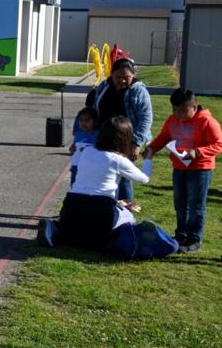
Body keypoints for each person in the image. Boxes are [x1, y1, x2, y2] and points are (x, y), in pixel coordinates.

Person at [40, 116, 148, 250]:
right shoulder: (118, 160)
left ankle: (55, 229)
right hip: (100, 208)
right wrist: (148, 159)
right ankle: (111, 238)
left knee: (74, 228)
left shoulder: (87, 151)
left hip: (72, 204)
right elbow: (144, 179)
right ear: (124, 139)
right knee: (129, 217)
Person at [144, 88, 222, 252]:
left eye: (182, 110)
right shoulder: (172, 120)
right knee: (180, 203)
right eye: (174, 109)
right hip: (179, 167)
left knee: (196, 205)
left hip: (200, 169)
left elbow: (218, 144)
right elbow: (164, 137)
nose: (178, 114)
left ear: (194, 107)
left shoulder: (208, 122)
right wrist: (151, 149)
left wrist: (198, 152)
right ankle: (181, 235)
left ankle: (194, 239)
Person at [86, 57, 152, 202]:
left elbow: (146, 119)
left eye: (127, 77)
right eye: (118, 77)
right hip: (104, 139)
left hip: (126, 140)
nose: (122, 81)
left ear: (133, 76)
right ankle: (109, 208)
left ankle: (127, 214)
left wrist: (136, 143)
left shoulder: (139, 91)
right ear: (112, 75)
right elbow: (95, 108)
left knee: (123, 179)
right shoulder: (104, 86)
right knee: (106, 176)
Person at [69, 108, 100, 186]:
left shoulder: (97, 135)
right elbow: (74, 146)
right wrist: (72, 149)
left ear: (95, 122)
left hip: (90, 167)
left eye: (87, 120)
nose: (83, 123)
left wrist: (88, 150)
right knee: (74, 186)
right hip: (76, 165)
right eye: (81, 120)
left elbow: (100, 150)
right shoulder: (78, 134)